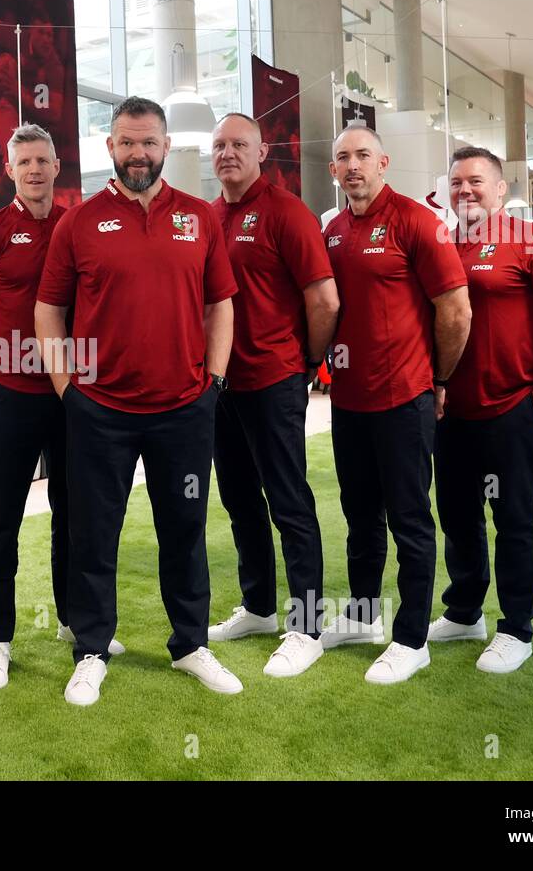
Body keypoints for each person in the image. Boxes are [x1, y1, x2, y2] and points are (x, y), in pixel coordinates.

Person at [35, 96, 239, 706]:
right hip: (101, 412)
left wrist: (216, 381)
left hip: (184, 408)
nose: (138, 154)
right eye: (127, 143)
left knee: (185, 529)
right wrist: (67, 388)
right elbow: (49, 311)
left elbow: (219, 305)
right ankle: (91, 649)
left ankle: (191, 645)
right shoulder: (78, 222)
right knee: (94, 533)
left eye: (149, 143)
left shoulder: (199, 217)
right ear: (110, 148)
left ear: (167, 146)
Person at [0, 124, 125, 692]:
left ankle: (76, 622)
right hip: (9, 397)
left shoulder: (78, 226)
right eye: (23, 161)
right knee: (0, 518)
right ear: (9, 171)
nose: (33, 169)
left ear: (59, 168)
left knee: (75, 514)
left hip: (73, 393)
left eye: (42, 160)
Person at [430, 146, 533, 673]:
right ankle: (464, 611)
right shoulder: (442, 246)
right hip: (452, 413)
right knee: (457, 516)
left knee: (515, 521)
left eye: (476, 181)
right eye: (456, 182)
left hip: (512, 410)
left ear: (501, 189)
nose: (464, 191)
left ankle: (516, 628)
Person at [320, 125, 471, 684]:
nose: (352, 166)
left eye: (362, 155)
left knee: (409, 519)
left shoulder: (416, 221)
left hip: (404, 397)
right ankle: (361, 618)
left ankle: (411, 638)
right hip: (348, 400)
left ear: (383, 162)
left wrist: (438, 378)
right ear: (333, 171)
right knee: (360, 516)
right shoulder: (332, 230)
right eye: (342, 158)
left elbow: (455, 311)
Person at [206, 113, 340, 678]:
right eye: (219, 145)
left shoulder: (287, 212)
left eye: (240, 144)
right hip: (219, 384)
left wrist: (306, 363)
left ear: (262, 152)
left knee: (288, 502)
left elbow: (325, 301)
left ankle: (306, 625)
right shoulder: (207, 217)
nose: (228, 153)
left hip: (274, 380)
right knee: (238, 499)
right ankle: (259, 606)